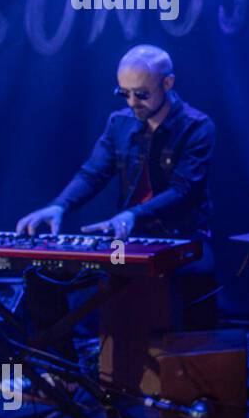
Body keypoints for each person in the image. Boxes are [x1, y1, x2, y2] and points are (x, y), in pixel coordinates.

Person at [16, 44, 217, 331]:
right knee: (42, 277)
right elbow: (93, 173)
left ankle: (181, 370)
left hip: (182, 238)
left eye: (141, 94)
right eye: (124, 93)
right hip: (128, 239)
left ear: (168, 83)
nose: (132, 102)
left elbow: (184, 191)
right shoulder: (119, 123)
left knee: (191, 282)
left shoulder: (197, 127)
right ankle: (60, 372)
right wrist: (59, 205)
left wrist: (132, 215)